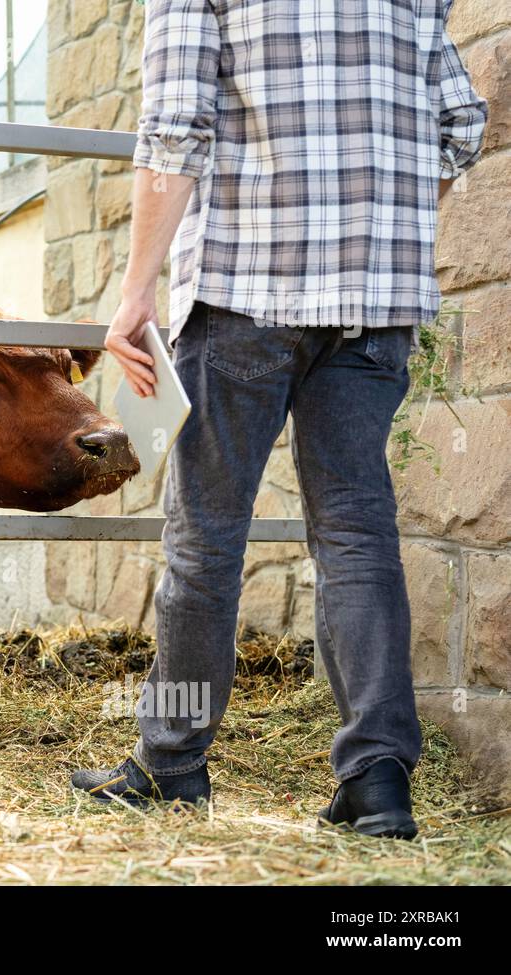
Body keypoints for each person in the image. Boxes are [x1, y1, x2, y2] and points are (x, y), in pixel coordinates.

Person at [70, 0, 487, 839]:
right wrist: (379, 226)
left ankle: (173, 764)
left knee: (206, 538)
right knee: (357, 534)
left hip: (240, 291)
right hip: (376, 301)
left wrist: (136, 292)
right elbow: (459, 121)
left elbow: (176, 127)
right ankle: (377, 782)